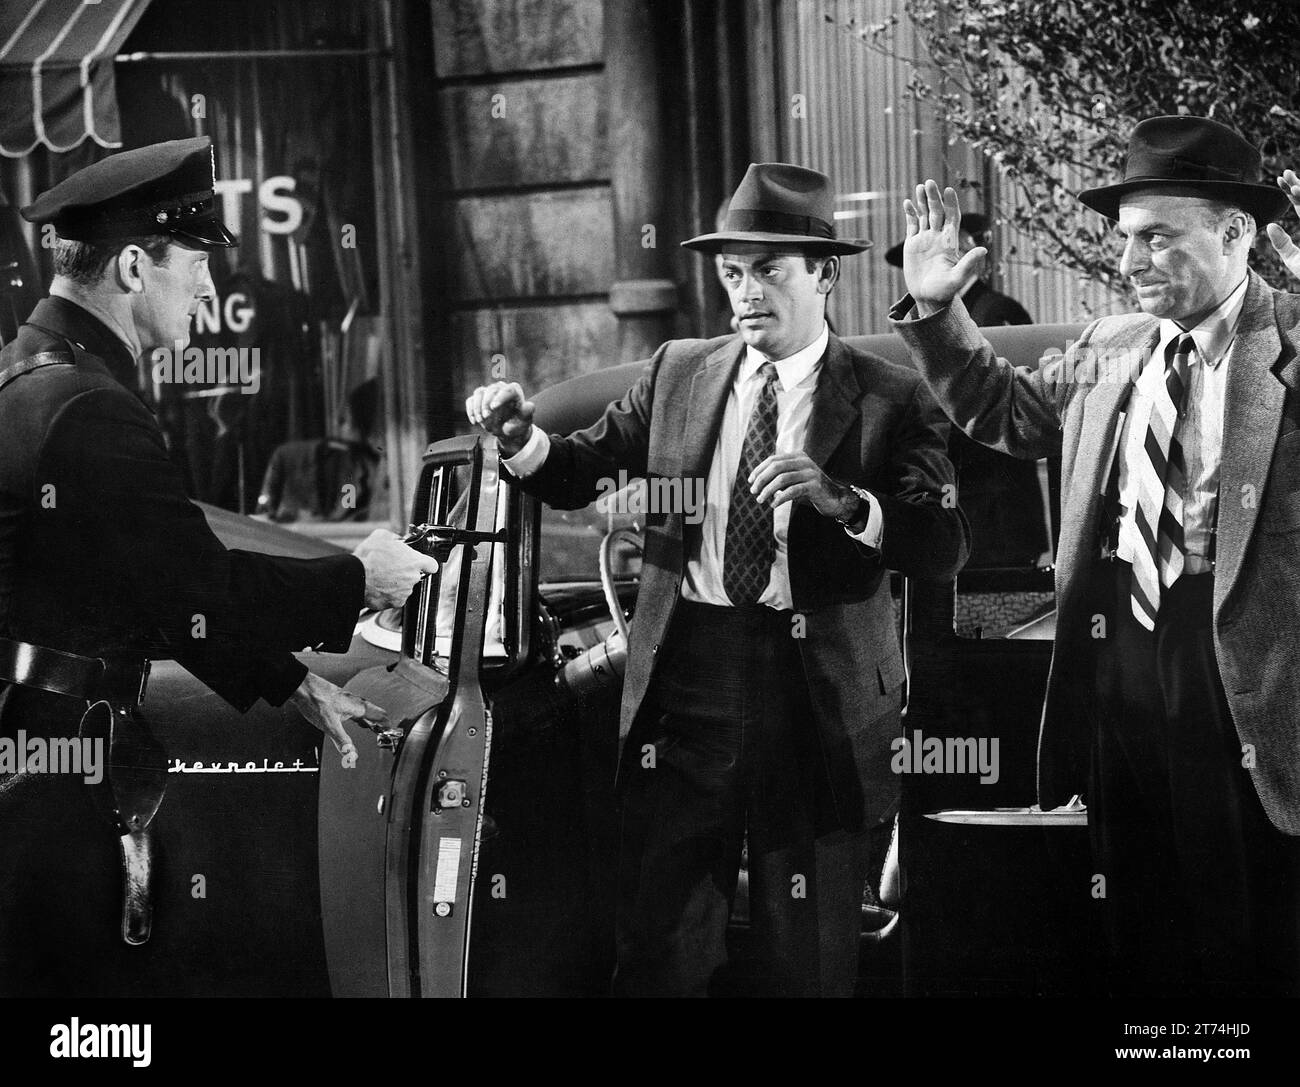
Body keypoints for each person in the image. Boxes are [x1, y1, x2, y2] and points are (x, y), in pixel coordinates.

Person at [467, 162, 969, 996]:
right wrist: (521, 438)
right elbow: (581, 469)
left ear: (823, 274)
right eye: (732, 273)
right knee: (661, 948)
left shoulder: (890, 395)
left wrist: (844, 501)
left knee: (806, 957)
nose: (746, 292)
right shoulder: (680, 371)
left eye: (769, 270)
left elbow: (942, 544)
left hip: (820, 696)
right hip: (687, 678)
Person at [0, 137, 436, 995]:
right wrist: (361, 578)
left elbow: (150, 584)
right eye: (194, 262)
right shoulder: (90, 405)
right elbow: (202, 586)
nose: (208, 288)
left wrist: (286, 679)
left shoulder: (28, 374)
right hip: (53, 765)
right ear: (132, 265)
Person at [893, 115, 1300, 996]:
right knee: (1138, 916)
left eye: (1158, 237)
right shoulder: (1111, 350)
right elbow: (1001, 409)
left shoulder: (1290, 343)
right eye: (1125, 240)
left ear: (1237, 233)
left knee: (1245, 925)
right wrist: (937, 311)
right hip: (1114, 656)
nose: (1130, 263)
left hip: (1240, 671)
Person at [884, 211, 1031, 326]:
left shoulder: (997, 309)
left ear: (964, 250)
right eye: (924, 257)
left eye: (938, 252)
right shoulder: (920, 317)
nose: (931, 264)